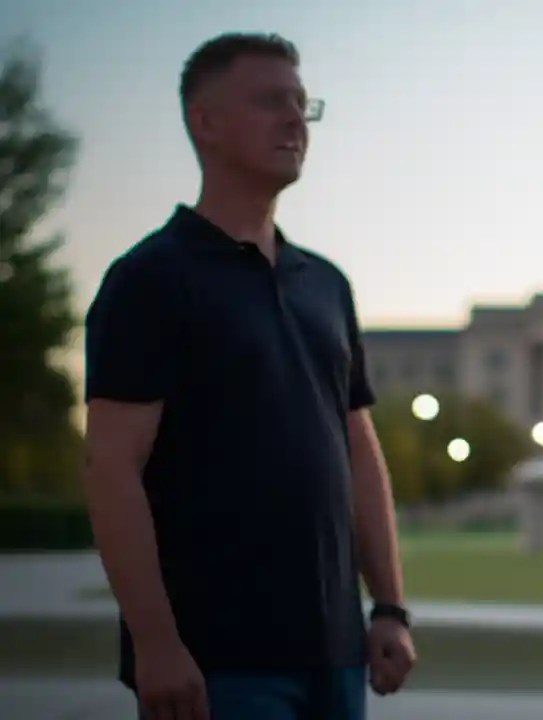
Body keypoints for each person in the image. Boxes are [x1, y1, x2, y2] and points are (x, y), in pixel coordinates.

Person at [82, 33, 415, 720]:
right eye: (270, 102)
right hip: (215, 661)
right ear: (204, 122)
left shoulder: (325, 284)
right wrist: (156, 643)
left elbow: (358, 450)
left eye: (302, 103)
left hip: (336, 653)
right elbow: (110, 467)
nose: (295, 119)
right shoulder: (149, 279)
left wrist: (388, 605)